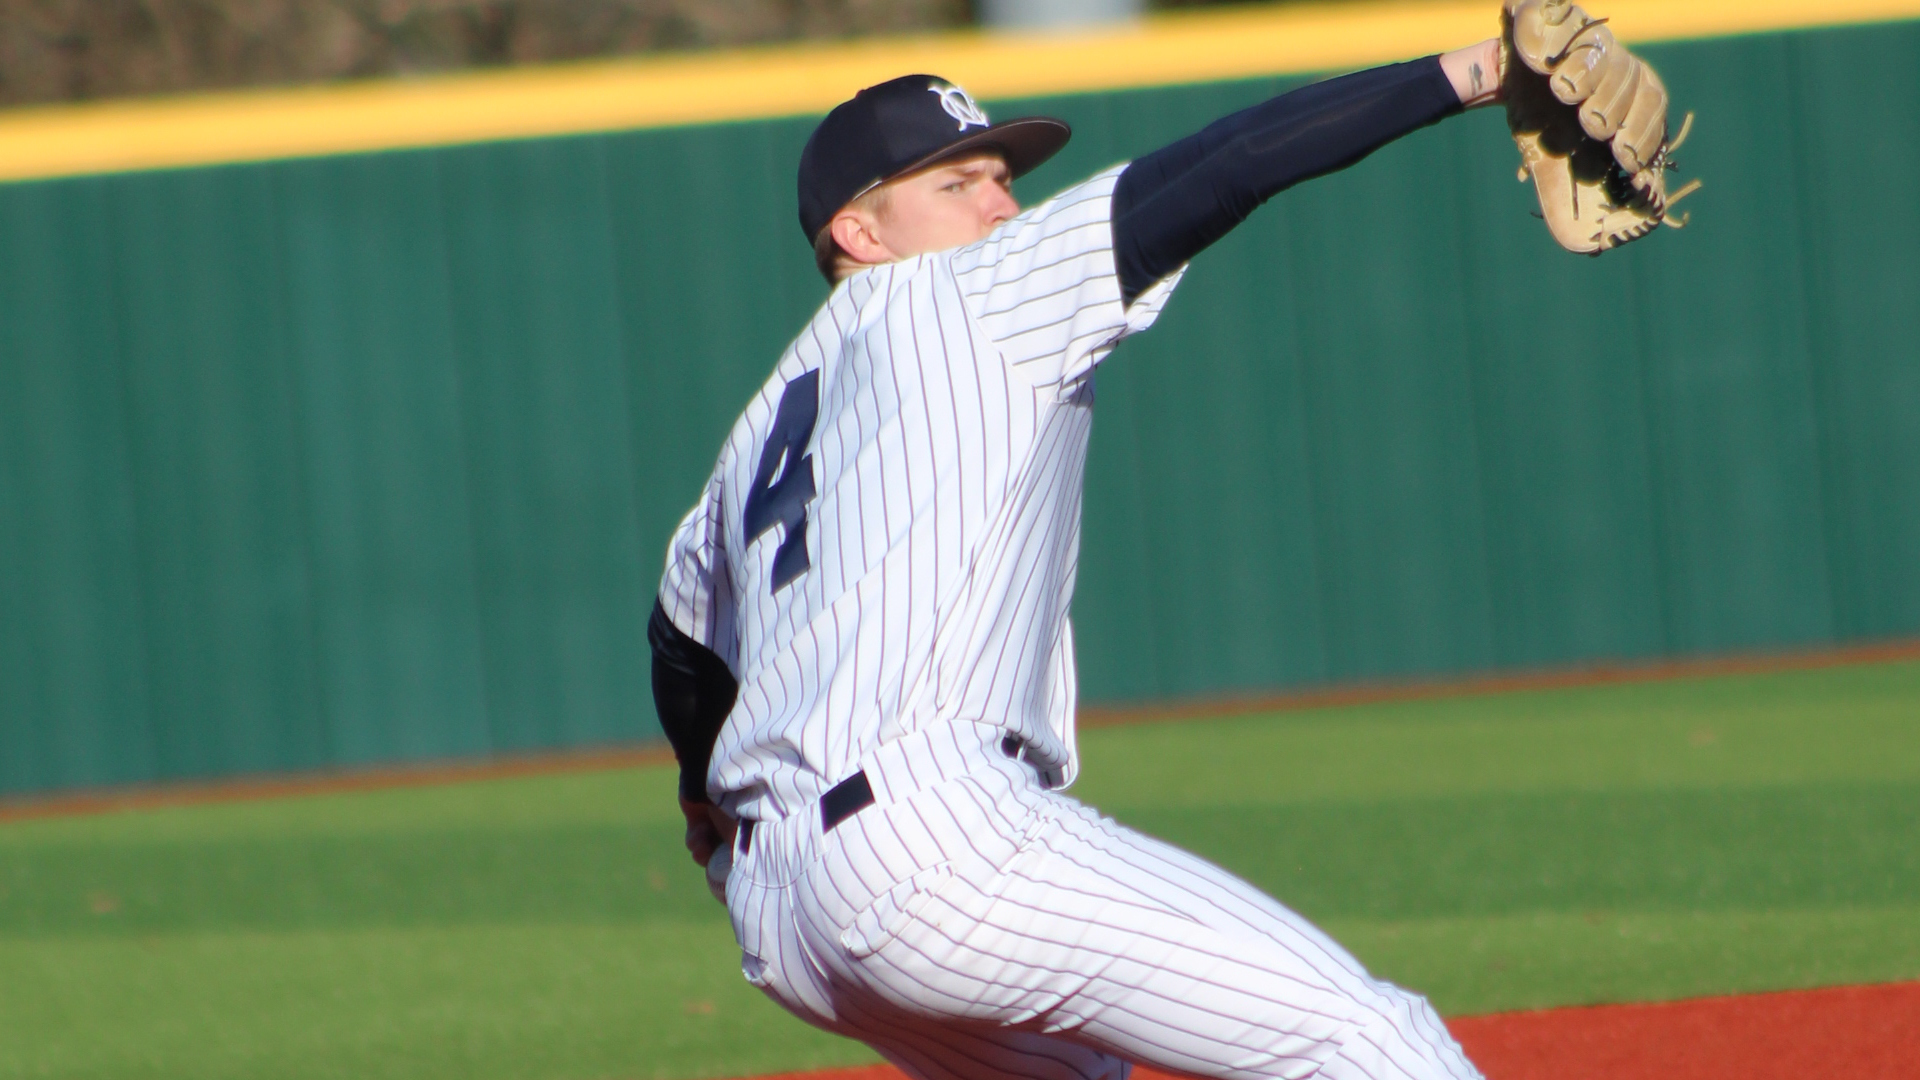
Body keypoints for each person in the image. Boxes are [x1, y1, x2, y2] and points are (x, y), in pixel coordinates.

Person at [650, 39, 1505, 1080]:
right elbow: (1227, 162)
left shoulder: (752, 438)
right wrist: (1472, 73)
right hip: (930, 847)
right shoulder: (965, 294)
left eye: (1002, 179)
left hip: (785, 921)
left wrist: (703, 803)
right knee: (1367, 1039)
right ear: (860, 233)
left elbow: (682, 643)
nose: (1000, 206)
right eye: (957, 184)